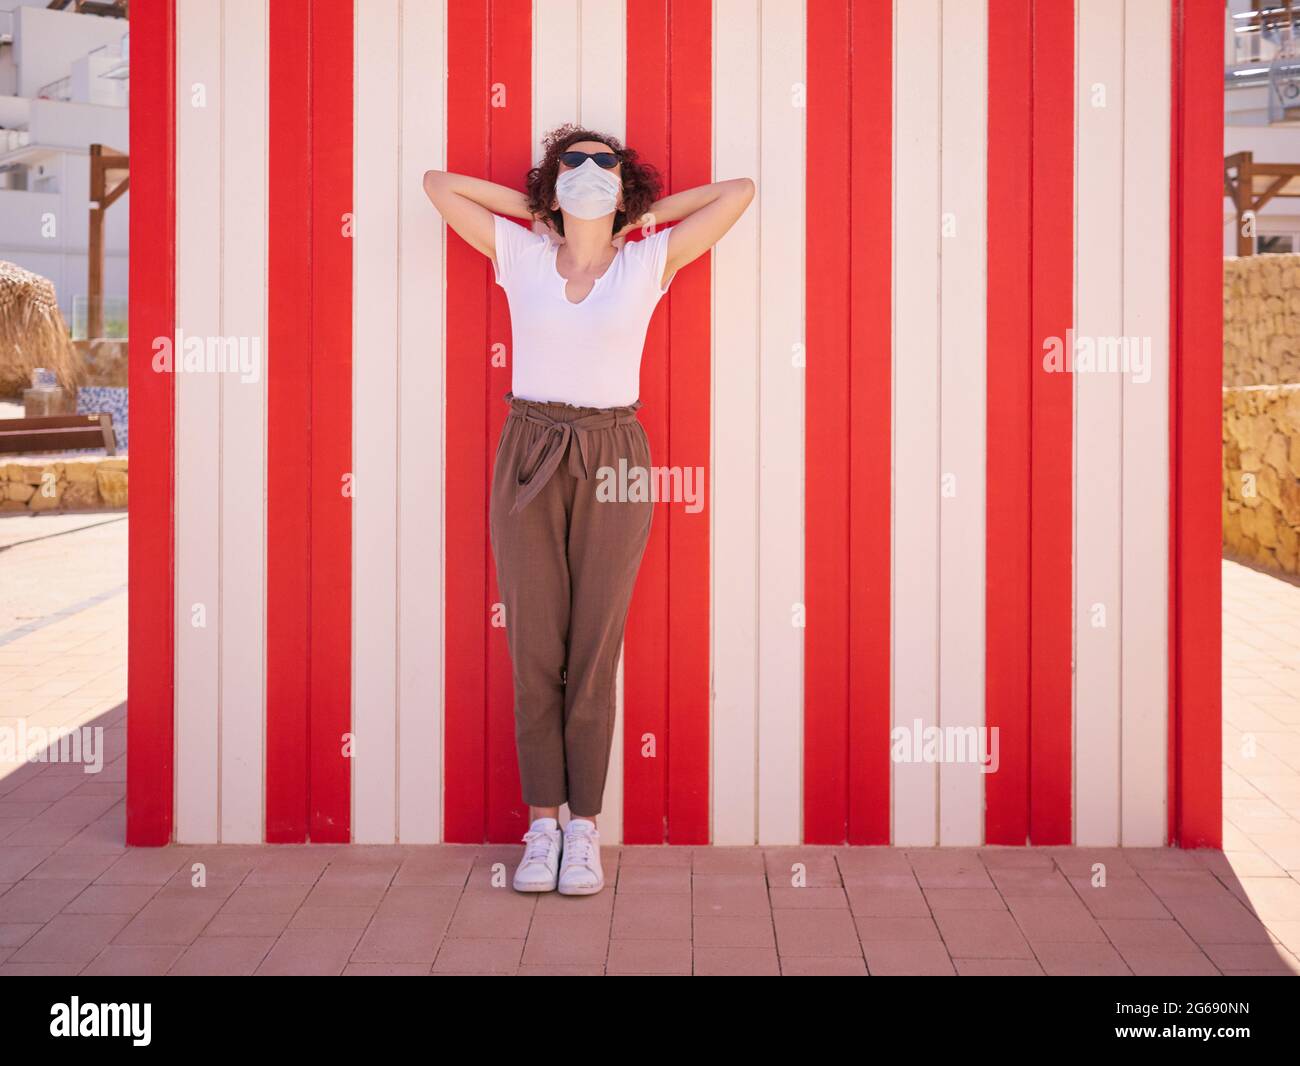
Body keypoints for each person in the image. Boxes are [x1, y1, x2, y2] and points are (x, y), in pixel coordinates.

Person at [423, 123, 754, 894]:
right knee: (535, 646)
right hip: (530, 446)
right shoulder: (523, 255)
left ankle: (585, 831)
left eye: (603, 163)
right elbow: (439, 184)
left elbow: (738, 194)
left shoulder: (646, 262)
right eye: (570, 163)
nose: (587, 172)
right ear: (553, 182)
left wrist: (641, 218)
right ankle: (542, 824)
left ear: (623, 181)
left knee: (595, 650)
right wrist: (536, 210)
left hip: (615, 453)